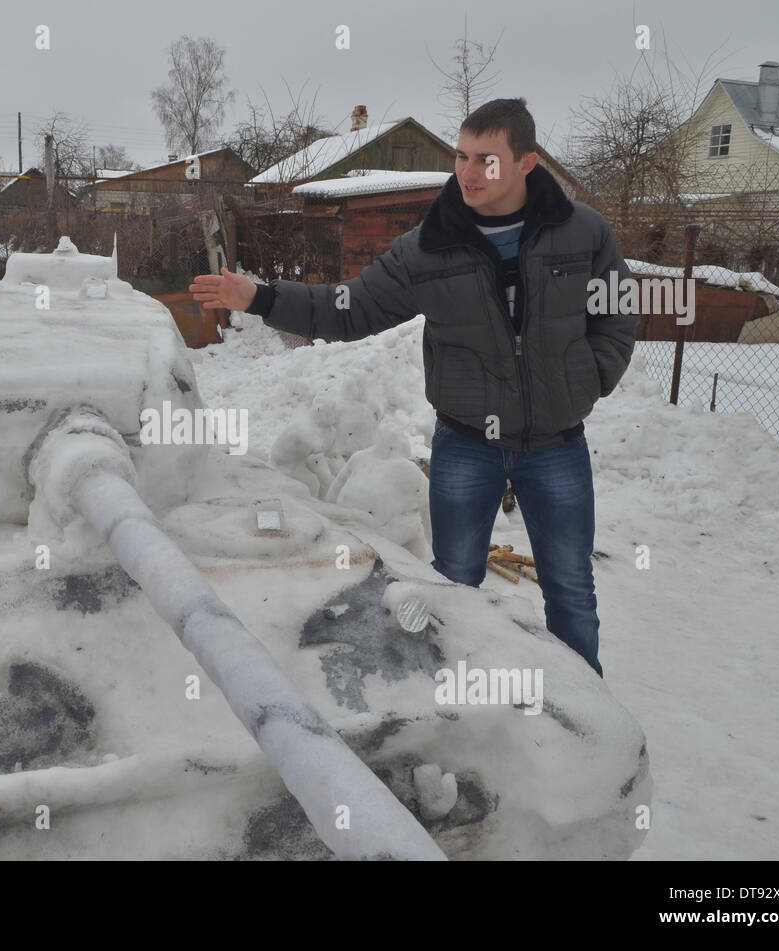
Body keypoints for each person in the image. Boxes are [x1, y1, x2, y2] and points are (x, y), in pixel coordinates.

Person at [189, 98, 637, 676]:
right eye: (461, 156)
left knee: (572, 591)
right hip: (466, 447)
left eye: (487, 160)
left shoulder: (583, 232)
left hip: (557, 445)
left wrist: (591, 378)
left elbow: (619, 311)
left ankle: (588, 720)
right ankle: (461, 701)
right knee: (453, 587)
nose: (469, 173)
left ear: (526, 164)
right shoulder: (429, 247)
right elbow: (350, 308)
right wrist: (261, 298)